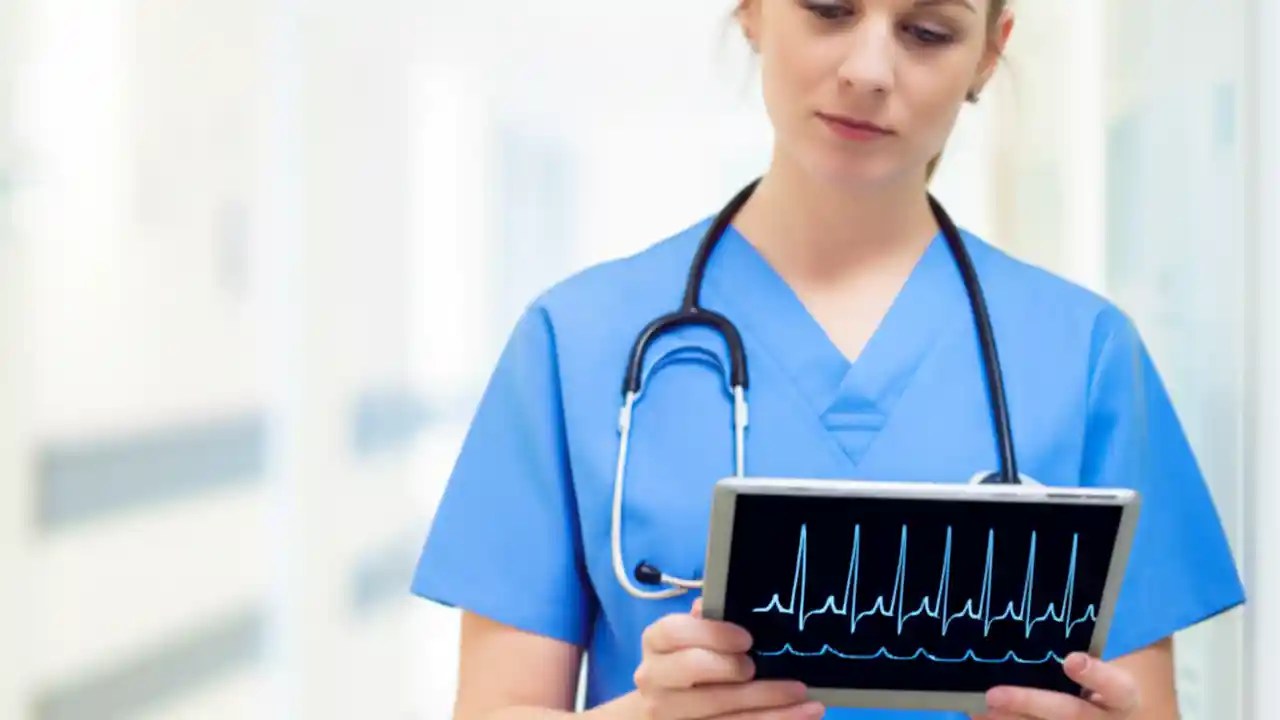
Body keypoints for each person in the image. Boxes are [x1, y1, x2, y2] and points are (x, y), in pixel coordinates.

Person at [411, 0, 1246, 717]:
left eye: (926, 30)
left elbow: (1139, 701)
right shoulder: (577, 342)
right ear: (751, 8)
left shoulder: (1087, 355)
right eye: (830, 8)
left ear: (990, 54)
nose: (870, 69)